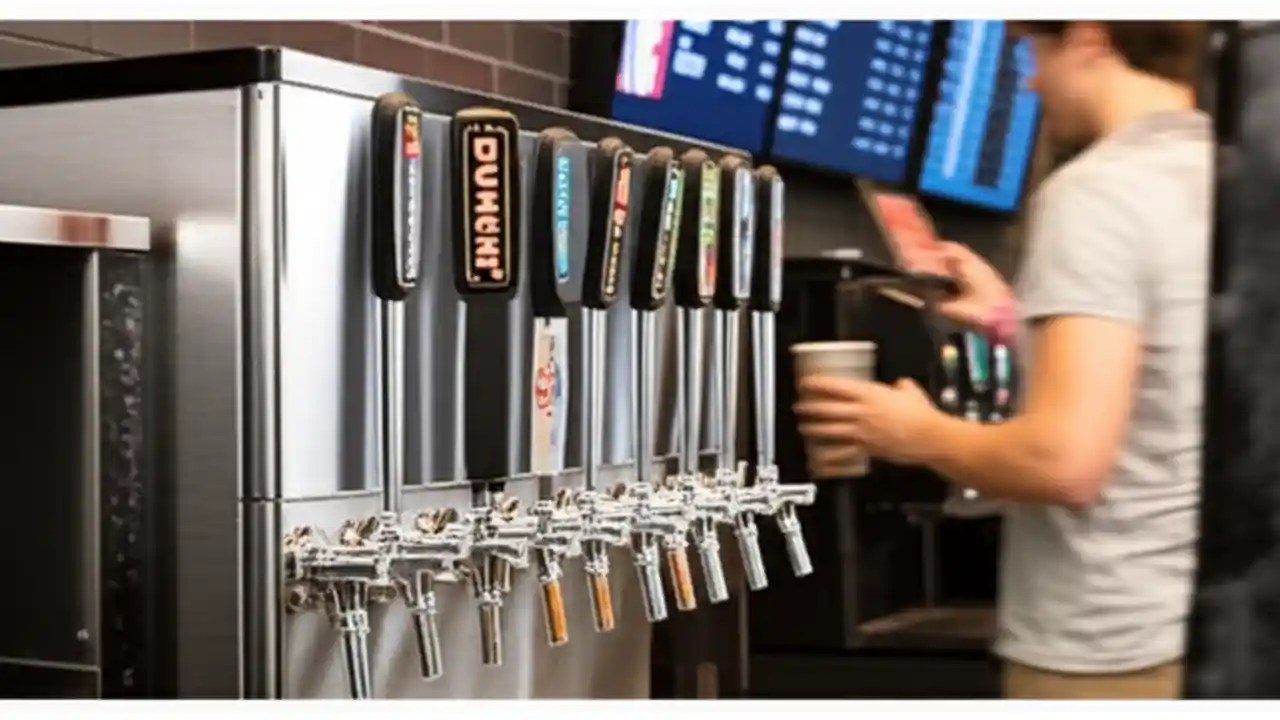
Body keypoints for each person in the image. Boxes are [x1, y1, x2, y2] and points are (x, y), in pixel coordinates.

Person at [794, 21, 1212, 699]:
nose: (1031, 81)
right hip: (1191, 625)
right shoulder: (1222, 178)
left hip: (1103, 648)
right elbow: (1167, 367)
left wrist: (911, 431)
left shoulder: (1098, 193)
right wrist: (1011, 322)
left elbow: (1063, 462)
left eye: (1032, 52)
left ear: (1090, 37)